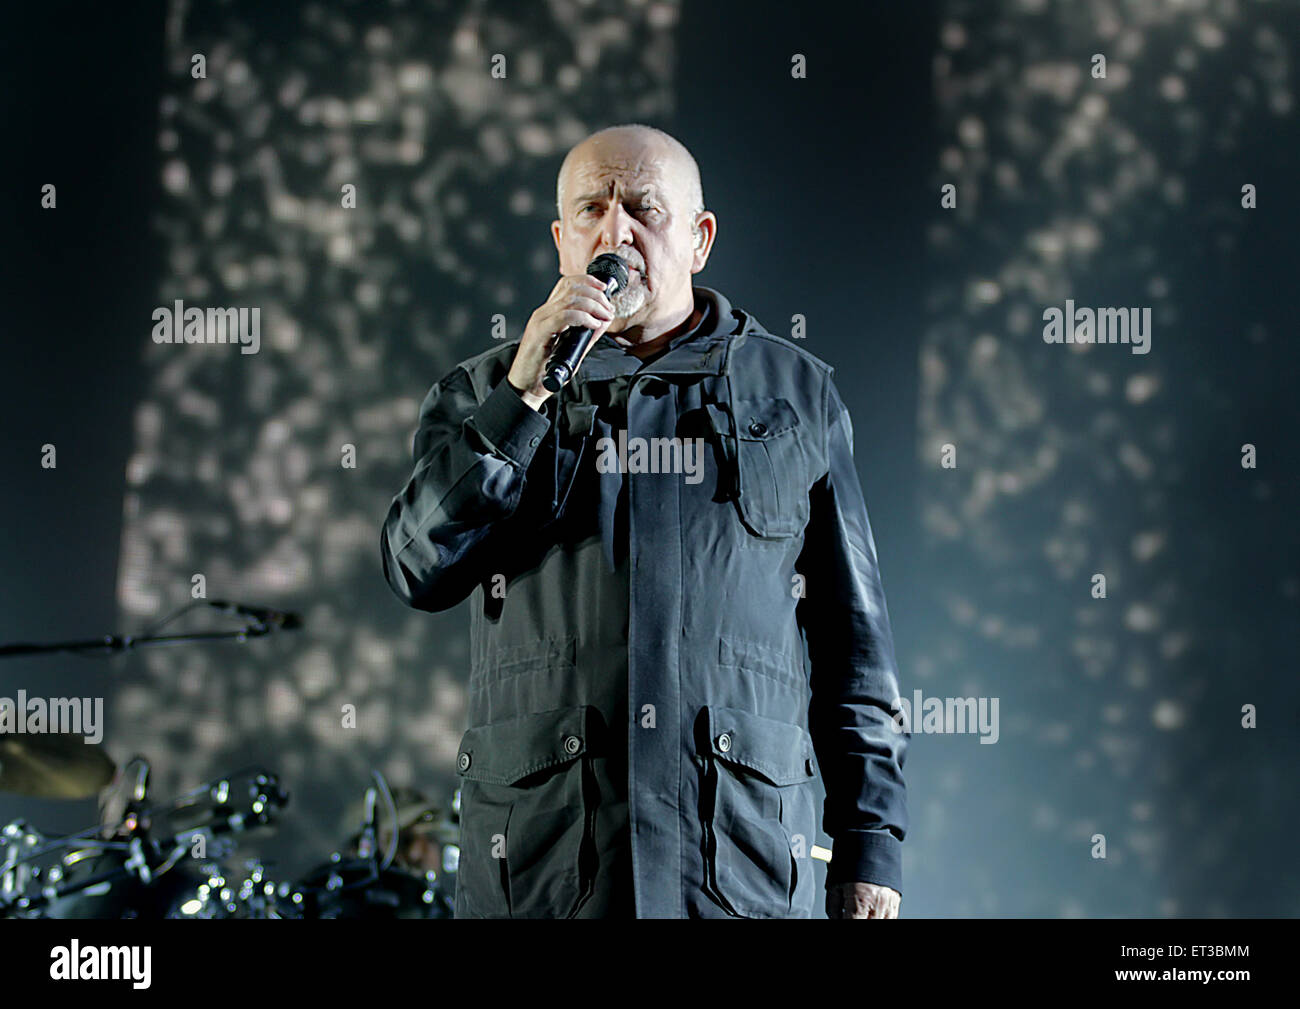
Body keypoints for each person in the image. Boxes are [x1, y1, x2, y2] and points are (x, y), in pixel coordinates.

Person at [381, 124, 908, 919]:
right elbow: (417, 565)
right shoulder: (483, 391)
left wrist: (872, 846)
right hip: (543, 872)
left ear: (698, 240)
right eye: (591, 209)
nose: (614, 232)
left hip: (738, 870)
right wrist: (521, 394)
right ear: (563, 241)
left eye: (643, 209)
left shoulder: (795, 395)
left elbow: (855, 648)